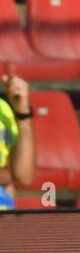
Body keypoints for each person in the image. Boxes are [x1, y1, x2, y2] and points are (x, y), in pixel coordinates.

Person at [0, 73, 36, 210]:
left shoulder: (4, 108)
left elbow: (24, 175)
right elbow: (12, 176)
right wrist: (8, 176)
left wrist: (23, 113)